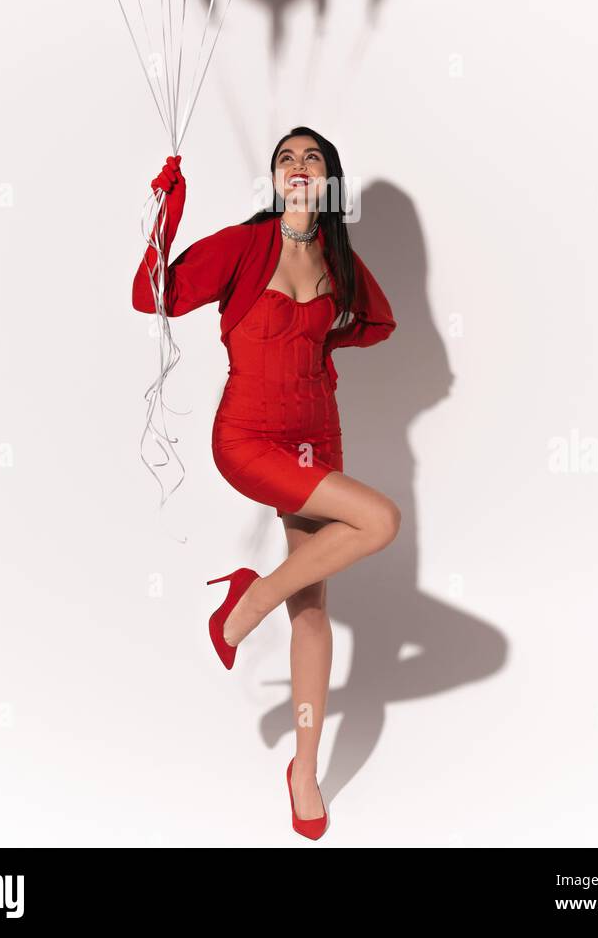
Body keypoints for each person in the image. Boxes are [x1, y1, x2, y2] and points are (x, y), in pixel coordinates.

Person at [132, 127, 400, 836]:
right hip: (247, 437)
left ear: (329, 179)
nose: (299, 166)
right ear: (274, 179)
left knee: (310, 604)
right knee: (379, 521)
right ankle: (243, 606)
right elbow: (150, 295)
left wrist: (313, 357)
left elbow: (372, 324)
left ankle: (303, 770)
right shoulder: (245, 245)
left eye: (313, 157)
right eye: (287, 157)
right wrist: (167, 209)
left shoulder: (339, 259)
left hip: (318, 435)